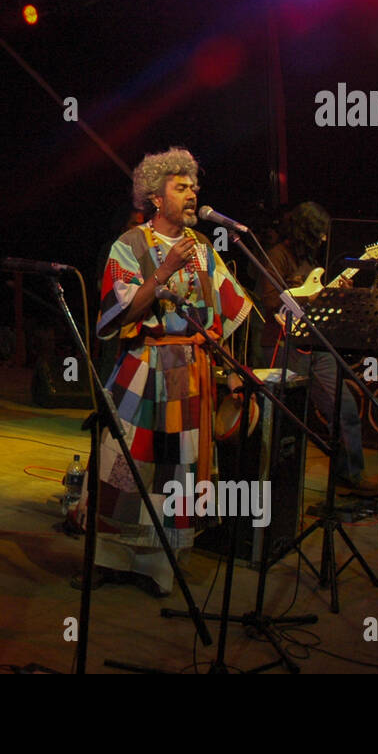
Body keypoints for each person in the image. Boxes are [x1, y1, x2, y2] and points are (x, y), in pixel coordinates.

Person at [72, 146, 251, 595]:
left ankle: (158, 566)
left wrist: (232, 371)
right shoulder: (129, 245)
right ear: (155, 196)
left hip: (188, 372)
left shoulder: (205, 247)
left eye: (194, 186)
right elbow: (118, 311)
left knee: (175, 472)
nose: (192, 194)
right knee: (123, 464)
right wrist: (164, 271)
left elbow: (225, 308)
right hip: (141, 366)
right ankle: (111, 558)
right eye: (181, 187)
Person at [252, 202, 377, 497]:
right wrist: (311, 296)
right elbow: (270, 301)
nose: (323, 238)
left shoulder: (309, 261)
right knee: (282, 419)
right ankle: (269, 483)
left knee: (344, 407)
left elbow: (320, 305)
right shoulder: (277, 257)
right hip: (284, 346)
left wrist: (335, 294)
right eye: (318, 232)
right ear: (304, 230)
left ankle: (351, 474)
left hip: (314, 345)